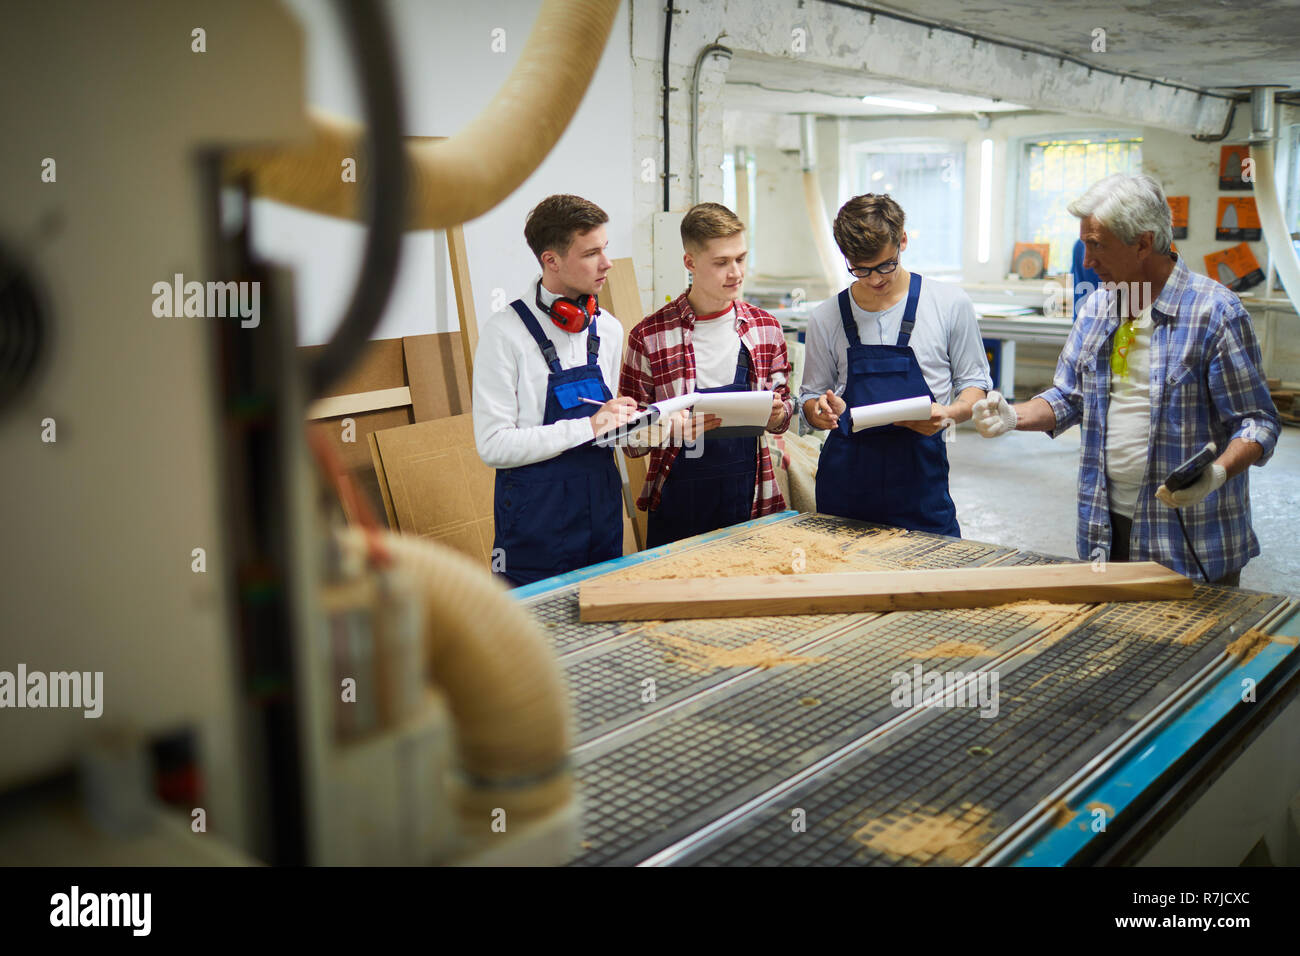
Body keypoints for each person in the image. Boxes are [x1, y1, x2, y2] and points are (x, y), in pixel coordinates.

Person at [972, 173, 1280, 585]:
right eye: (1085, 244)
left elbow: (1257, 421)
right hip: (1106, 527)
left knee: (1197, 649)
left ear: (1142, 243)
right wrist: (1013, 415)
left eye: (1097, 245)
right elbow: (1069, 397)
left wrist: (1218, 473)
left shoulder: (1215, 314)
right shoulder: (1099, 308)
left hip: (1192, 537)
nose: (1087, 261)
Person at [799, 193, 992, 536]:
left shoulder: (949, 304)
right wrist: (820, 411)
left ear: (902, 239)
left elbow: (974, 383)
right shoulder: (825, 317)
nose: (874, 279)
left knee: (933, 581)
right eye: (860, 269)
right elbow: (811, 399)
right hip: (846, 486)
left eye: (885, 264)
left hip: (920, 485)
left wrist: (950, 414)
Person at [472, 194, 638, 586]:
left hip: (601, 518)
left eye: (606, 249)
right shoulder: (505, 333)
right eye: (591, 253)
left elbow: (607, 424)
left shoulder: (609, 330)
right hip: (535, 529)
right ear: (551, 260)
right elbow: (493, 445)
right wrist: (588, 427)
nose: (607, 263)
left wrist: (656, 426)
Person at [618, 202, 795, 547]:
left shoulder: (766, 328)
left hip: (751, 501)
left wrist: (779, 413)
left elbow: (784, 413)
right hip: (677, 507)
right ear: (690, 262)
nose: (736, 273)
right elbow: (629, 442)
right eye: (721, 263)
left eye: (740, 258)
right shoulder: (649, 336)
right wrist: (670, 429)